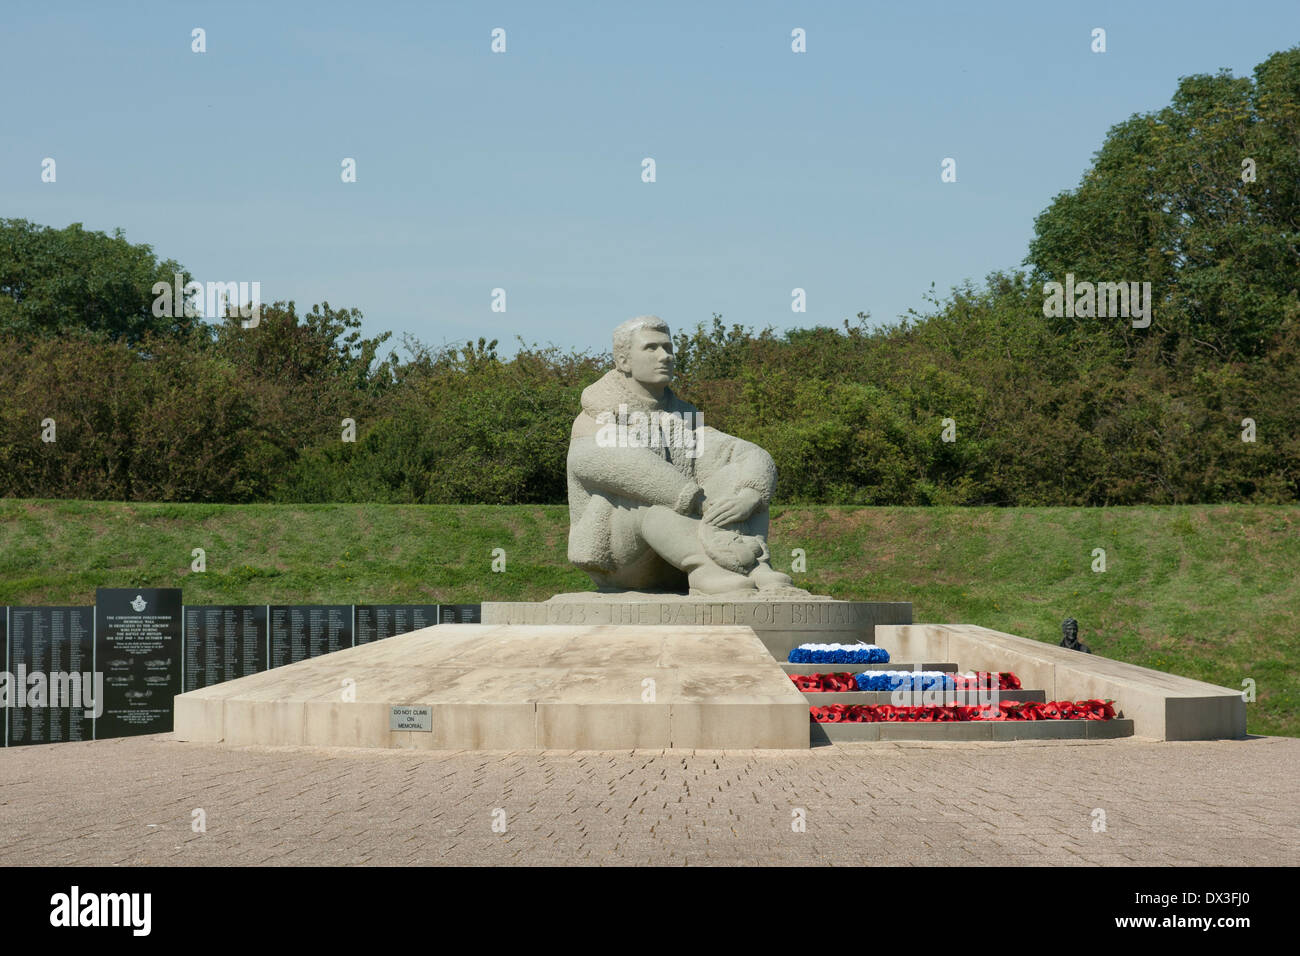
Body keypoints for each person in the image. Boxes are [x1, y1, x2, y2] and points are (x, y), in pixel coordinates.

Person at [566, 315, 795, 595]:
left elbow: (745, 453)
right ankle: (707, 568)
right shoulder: (596, 416)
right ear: (623, 361)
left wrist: (749, 496)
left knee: (738, 476)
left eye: (668, 348)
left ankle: (751, 563)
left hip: (672, 561)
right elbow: (625, 464)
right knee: (646, 494)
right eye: (651, 348)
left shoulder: (683, 417)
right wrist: (695, 498)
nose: (665, 356)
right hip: (622, 561)